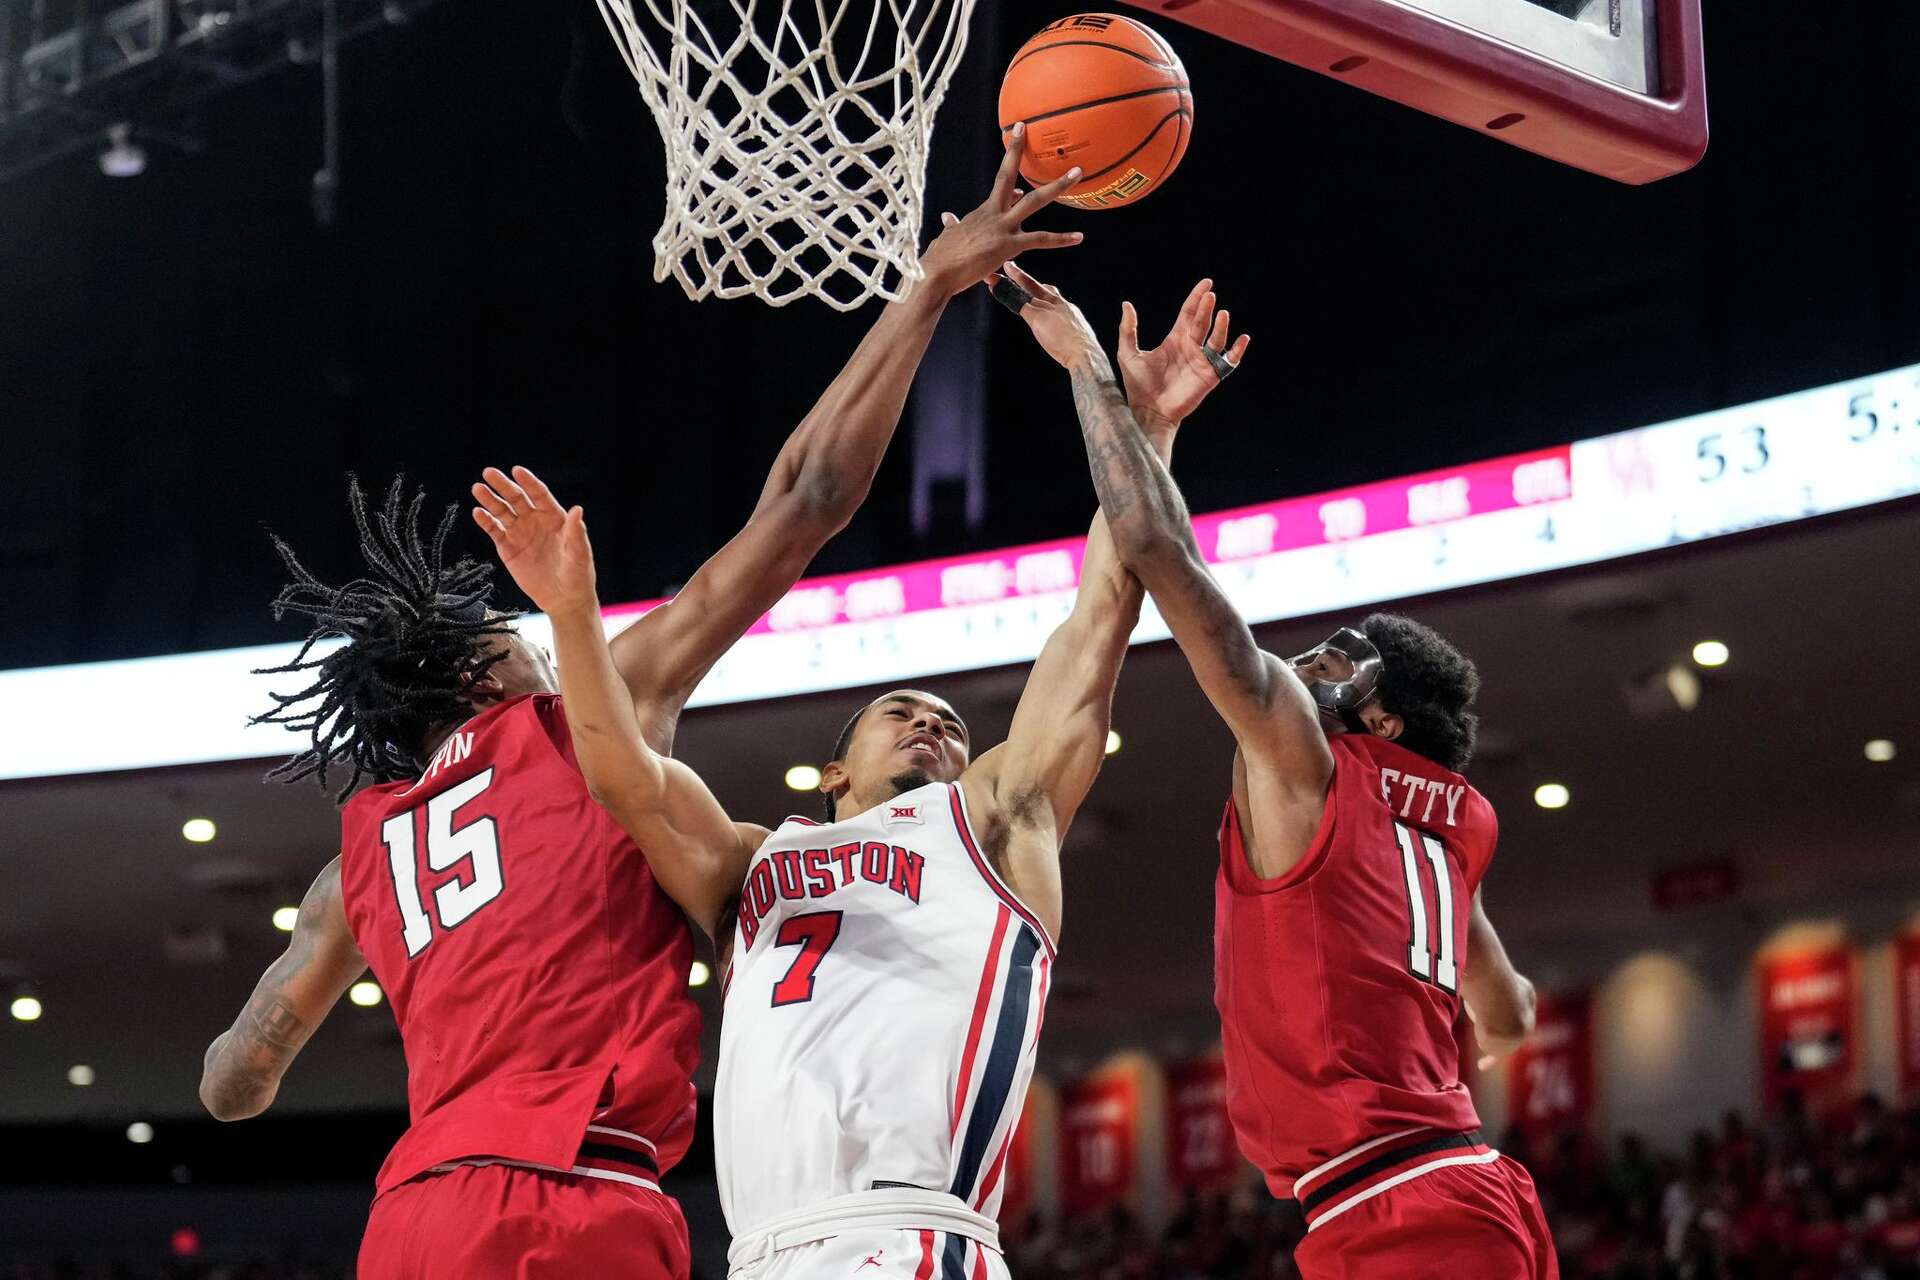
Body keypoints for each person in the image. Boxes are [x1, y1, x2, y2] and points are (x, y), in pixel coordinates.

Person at [194, 127, 1082, 1280]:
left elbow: (233, 1081)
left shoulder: (353, 866)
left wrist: (267, 1054)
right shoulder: (582, 721)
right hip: (574, 1194)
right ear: (481, 682)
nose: (547, 658)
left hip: (411, 1214)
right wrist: (927, 289)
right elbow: (806, 499)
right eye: (522, 647)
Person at [471, 266, 1242, 1280]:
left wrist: (1141, 425)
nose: (932, 723)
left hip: (911, 1236)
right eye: (902, 712)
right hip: (759, 1255)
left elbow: (1103, 609)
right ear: (831, 770)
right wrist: (573, 616)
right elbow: (624, 778)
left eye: (951, 723)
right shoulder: (752, 862)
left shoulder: (997, 820)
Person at [1034, 256, 1554, 1277]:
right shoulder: (1458, 828)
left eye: (1338, 668)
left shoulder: (1309, 762)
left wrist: (1104, 386)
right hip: (1465, 1186)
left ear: (1383, 718)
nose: (1310, 670)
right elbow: (1512, 1010)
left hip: (1400, 1203)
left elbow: (1156, 549)